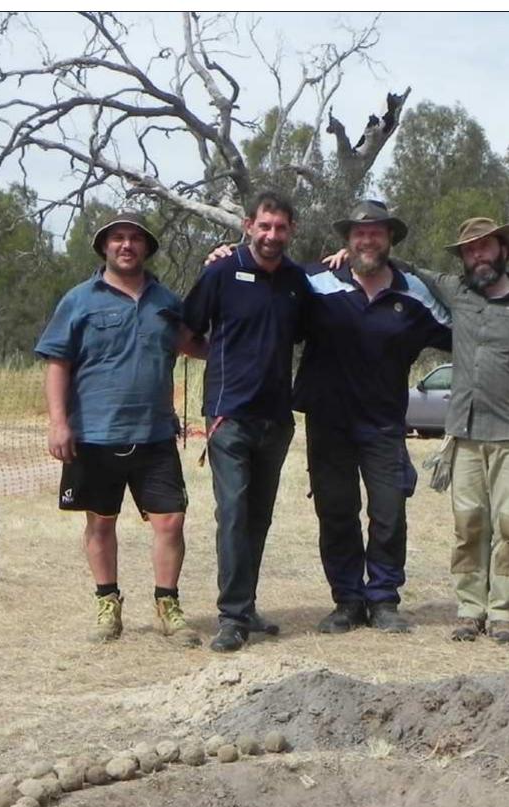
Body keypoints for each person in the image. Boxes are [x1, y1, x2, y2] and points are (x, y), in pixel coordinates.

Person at [364, 217, 509, 644]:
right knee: (469, 524)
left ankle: (503, 614)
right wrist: (359, 255)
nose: (477, 255)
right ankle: (470, 610)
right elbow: (410, 268)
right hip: (466, 434)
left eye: (484, 247)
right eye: (469, 250)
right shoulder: (456, 292)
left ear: (502, 250)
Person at [34, 213, 204, 646]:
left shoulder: (166, 301)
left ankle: (168, 605)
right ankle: (107, 604)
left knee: (170, 521)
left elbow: (195, 344)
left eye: (135, 239)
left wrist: (250, 337)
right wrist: (58, 423)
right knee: (101, 523)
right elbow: (58, 363)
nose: (126, 245)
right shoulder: (79, 300)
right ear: (104, 248)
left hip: (155, 434)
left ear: (147, 248)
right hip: (94, 435)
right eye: (117, 239)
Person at [294, 201, 451, 634]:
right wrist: (226, 253)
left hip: (383, 424)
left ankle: (383, 600)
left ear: (390, 241)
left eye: (377, 233)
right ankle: (347, 600)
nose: (368, 240)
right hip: (328, 423)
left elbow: (464, 332)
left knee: (389, 512)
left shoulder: (413, 292)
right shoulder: (316, 281)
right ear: (347, 240)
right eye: (360, 234)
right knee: (337, 512)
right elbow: (263, 283)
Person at [182, 191, 312, 653]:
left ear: (292, 230)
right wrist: (218, 358)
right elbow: (184, 332)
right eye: (264, 226)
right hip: (228, 417)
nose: (272, 236)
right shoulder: (220, 271)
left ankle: (248, 605)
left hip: (276, 420)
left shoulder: (300, 282)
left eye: (280, 228)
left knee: (258, 517)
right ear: (247, 225)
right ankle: (232, 618)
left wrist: (338, 260)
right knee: (233, 513)